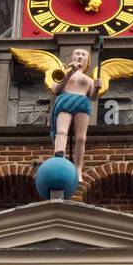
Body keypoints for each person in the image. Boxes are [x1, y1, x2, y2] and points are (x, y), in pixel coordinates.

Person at [50, 48, 96, 180]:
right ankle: (59, 156)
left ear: (88, 61)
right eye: (77, 54)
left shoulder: (89, 79)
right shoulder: (64, 73)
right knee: (62, 130)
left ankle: (78, 167)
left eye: (84, 55)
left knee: (81, 138)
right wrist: (70, 70)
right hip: (65, 99)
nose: (80, 56)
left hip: (82, 102)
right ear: (71, 57)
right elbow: (56, 89)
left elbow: (93, 97)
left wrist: (97, 88)